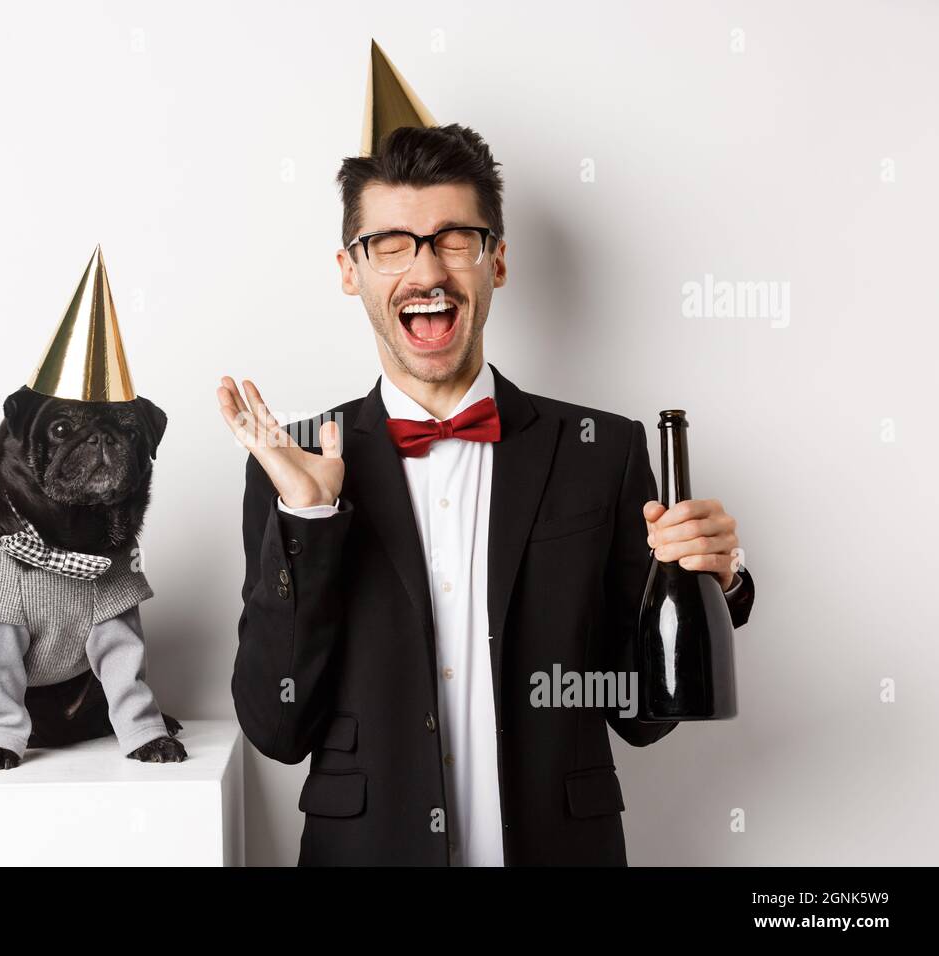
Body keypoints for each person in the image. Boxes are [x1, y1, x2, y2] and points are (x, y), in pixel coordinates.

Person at [216, 121, 754, 866]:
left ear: (496, 261)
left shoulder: (604, 451)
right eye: (392, 244)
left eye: (455, 239)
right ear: (350, 269)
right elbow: (279, 730)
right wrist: (310, 517)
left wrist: (713, 582)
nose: (427, 270)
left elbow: (640, 713)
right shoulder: (290, 461)